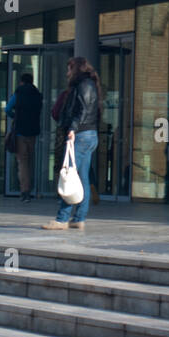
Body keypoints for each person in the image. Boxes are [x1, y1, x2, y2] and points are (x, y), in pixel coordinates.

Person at [43, 57, 100, 231]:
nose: (67, 73)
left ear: (76, 69)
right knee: (82, 178)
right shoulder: (89, 84)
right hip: (89, 134)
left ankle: (62, 219)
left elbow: (82, 110)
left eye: (69, 69)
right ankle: (79, 218)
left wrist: (73, 129)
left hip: (80, 135)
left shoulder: (83, 85)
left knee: (68, 176)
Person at [6, 72, 43, 203]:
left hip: (20, 132)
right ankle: (30, 188)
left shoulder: (18, 93)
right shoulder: (37, 94)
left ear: (22, 82)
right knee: (30, 161)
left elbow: (8, 109)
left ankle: (25, 191)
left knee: (22, 162)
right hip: (33, 132)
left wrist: (14, 116)